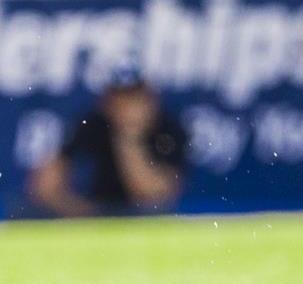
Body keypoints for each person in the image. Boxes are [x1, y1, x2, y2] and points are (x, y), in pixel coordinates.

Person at [26, 76, 188, 218]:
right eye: (120, 98)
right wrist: (79, 210)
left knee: (158, 213)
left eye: (134, 98)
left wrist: (128, 138)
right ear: (107, 102)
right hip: (102, 212)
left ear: (150, 101)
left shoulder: (169, 129)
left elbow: (155, 196)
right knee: (26, 210)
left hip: (145, 217)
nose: (127, 107)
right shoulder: (94, 123)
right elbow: (44, 186)